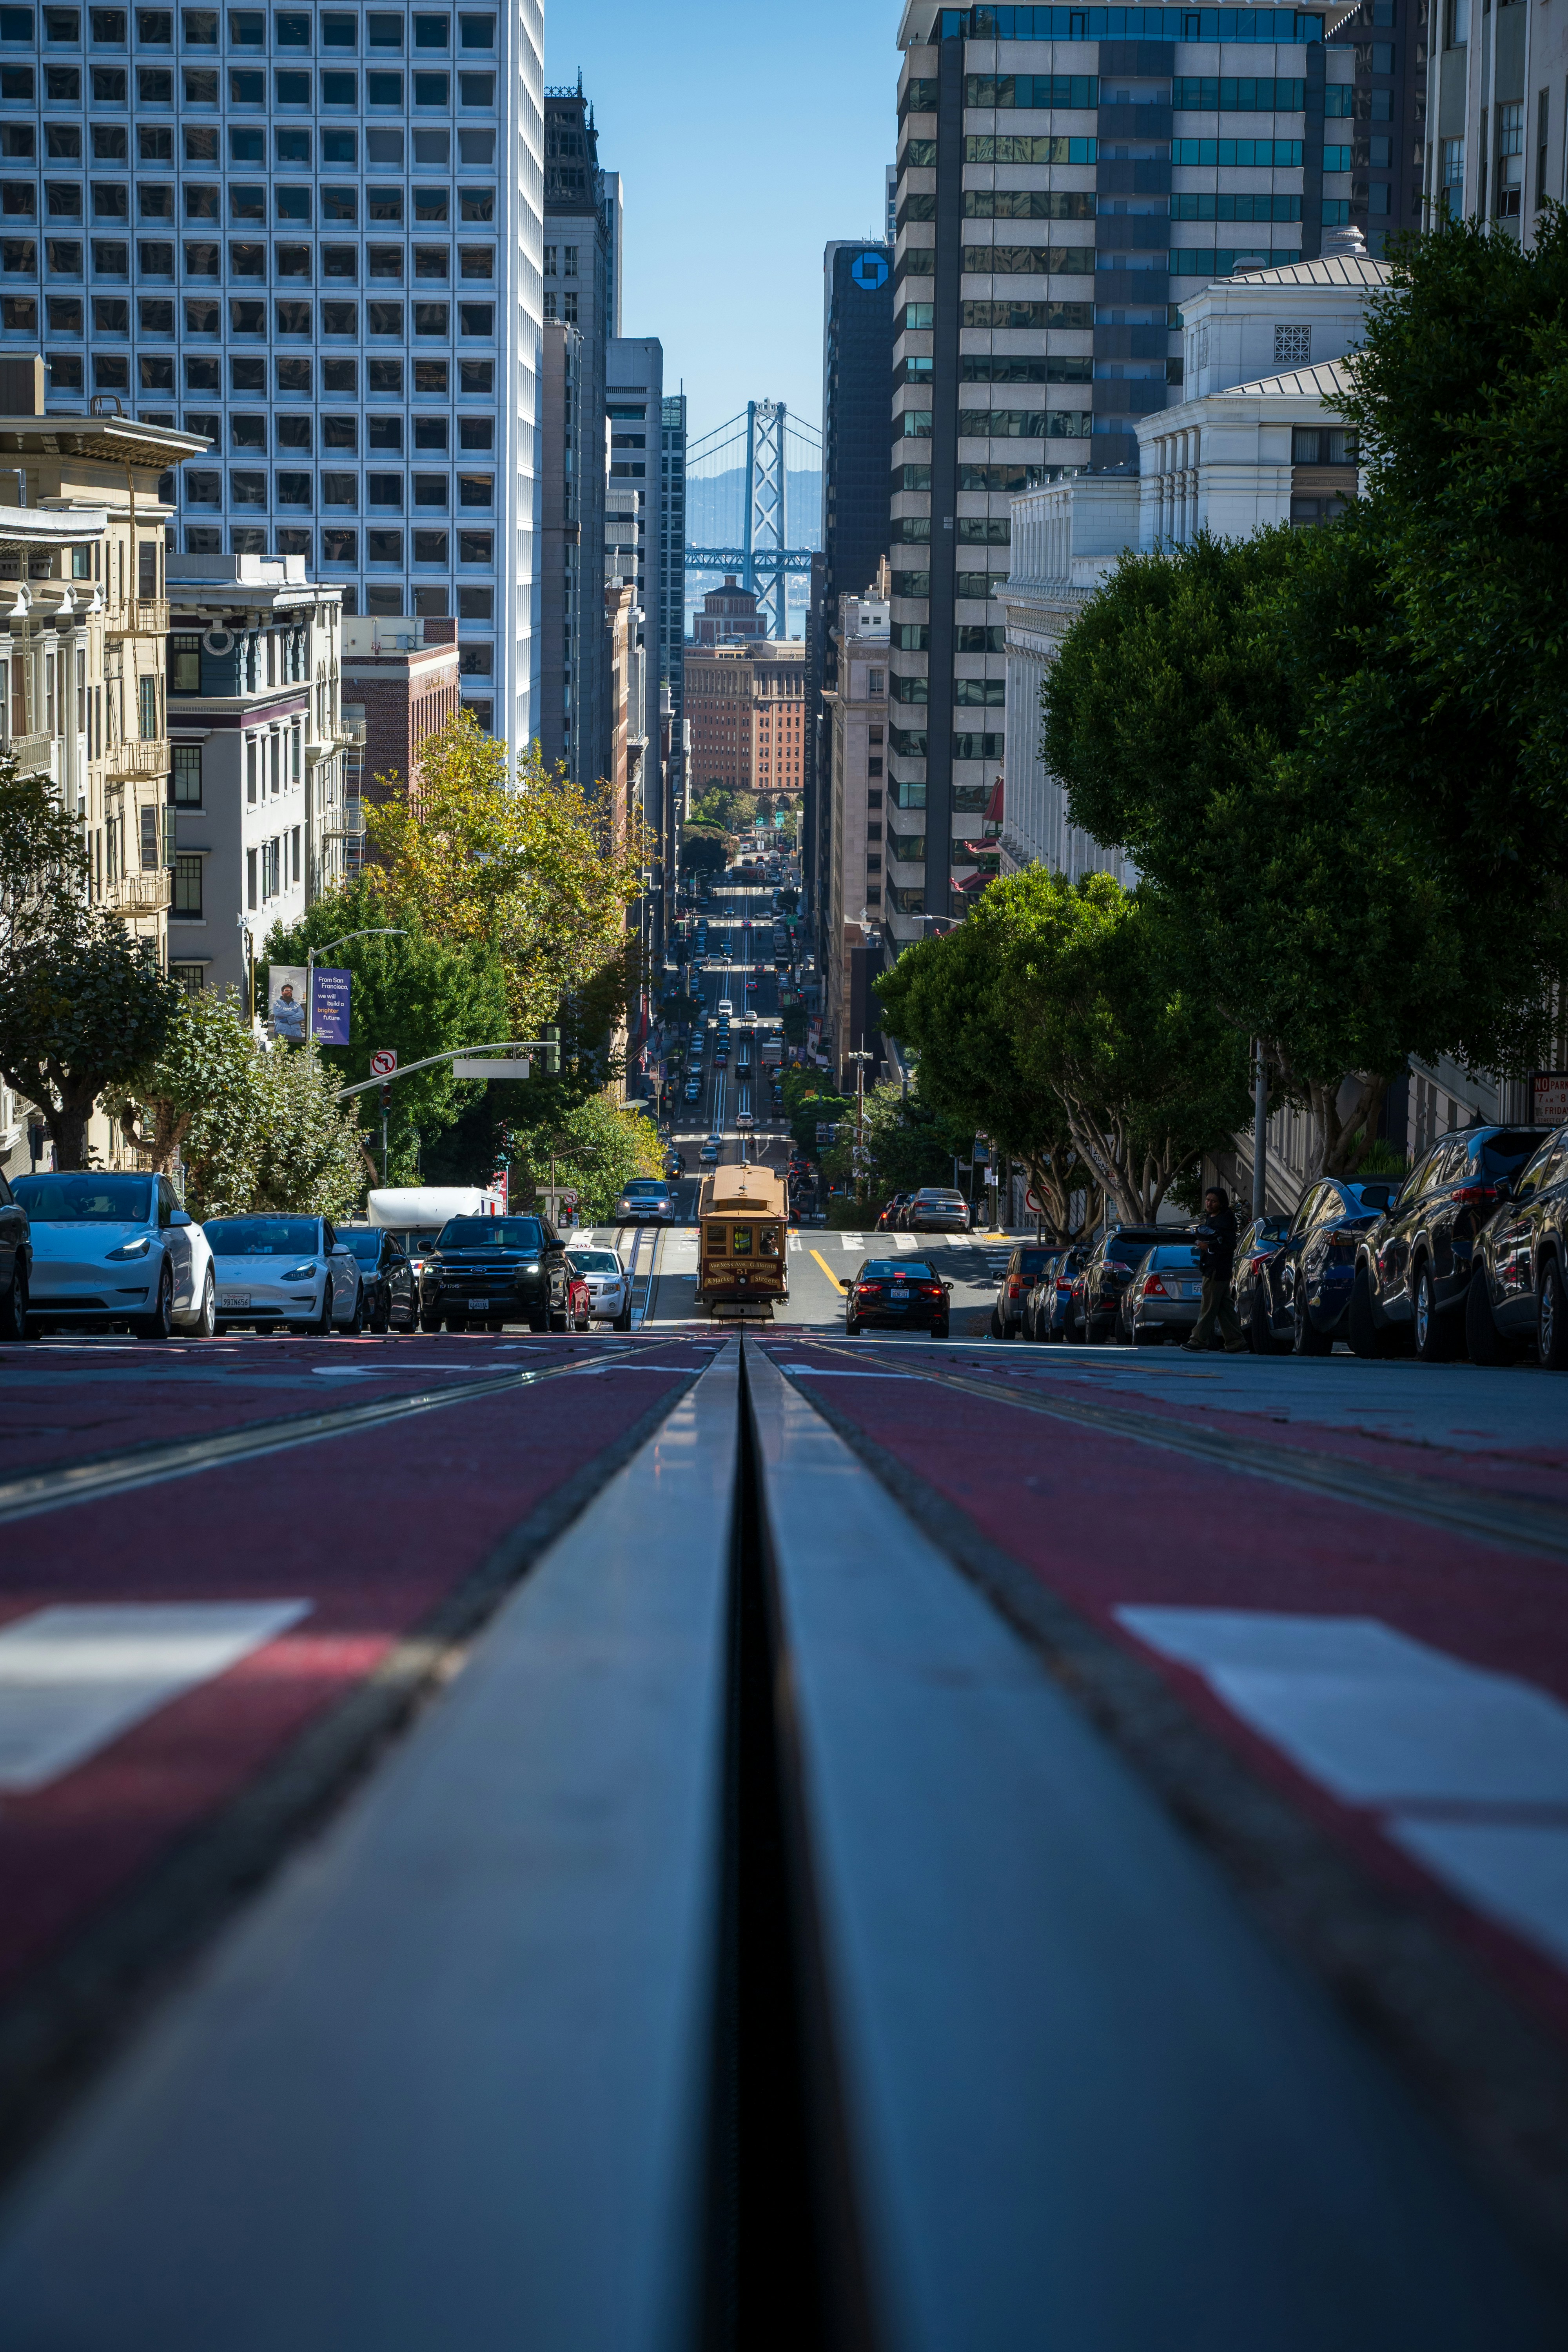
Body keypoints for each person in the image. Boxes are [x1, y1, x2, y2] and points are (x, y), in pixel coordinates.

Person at [1186, 1185, 1247, 1353]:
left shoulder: (1225, 1220)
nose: (1209, 1203)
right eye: (1208, 1200)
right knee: (1224, 1308)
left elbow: (1229, 1245)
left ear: (1222, 1203)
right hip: (1212, 1268)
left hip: (1217, 1269)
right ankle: (1236, 1343)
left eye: (1214, 1201)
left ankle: (1197, 1341)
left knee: (1208, 1306)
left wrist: (1209, 1246)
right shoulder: (1212, 1218)